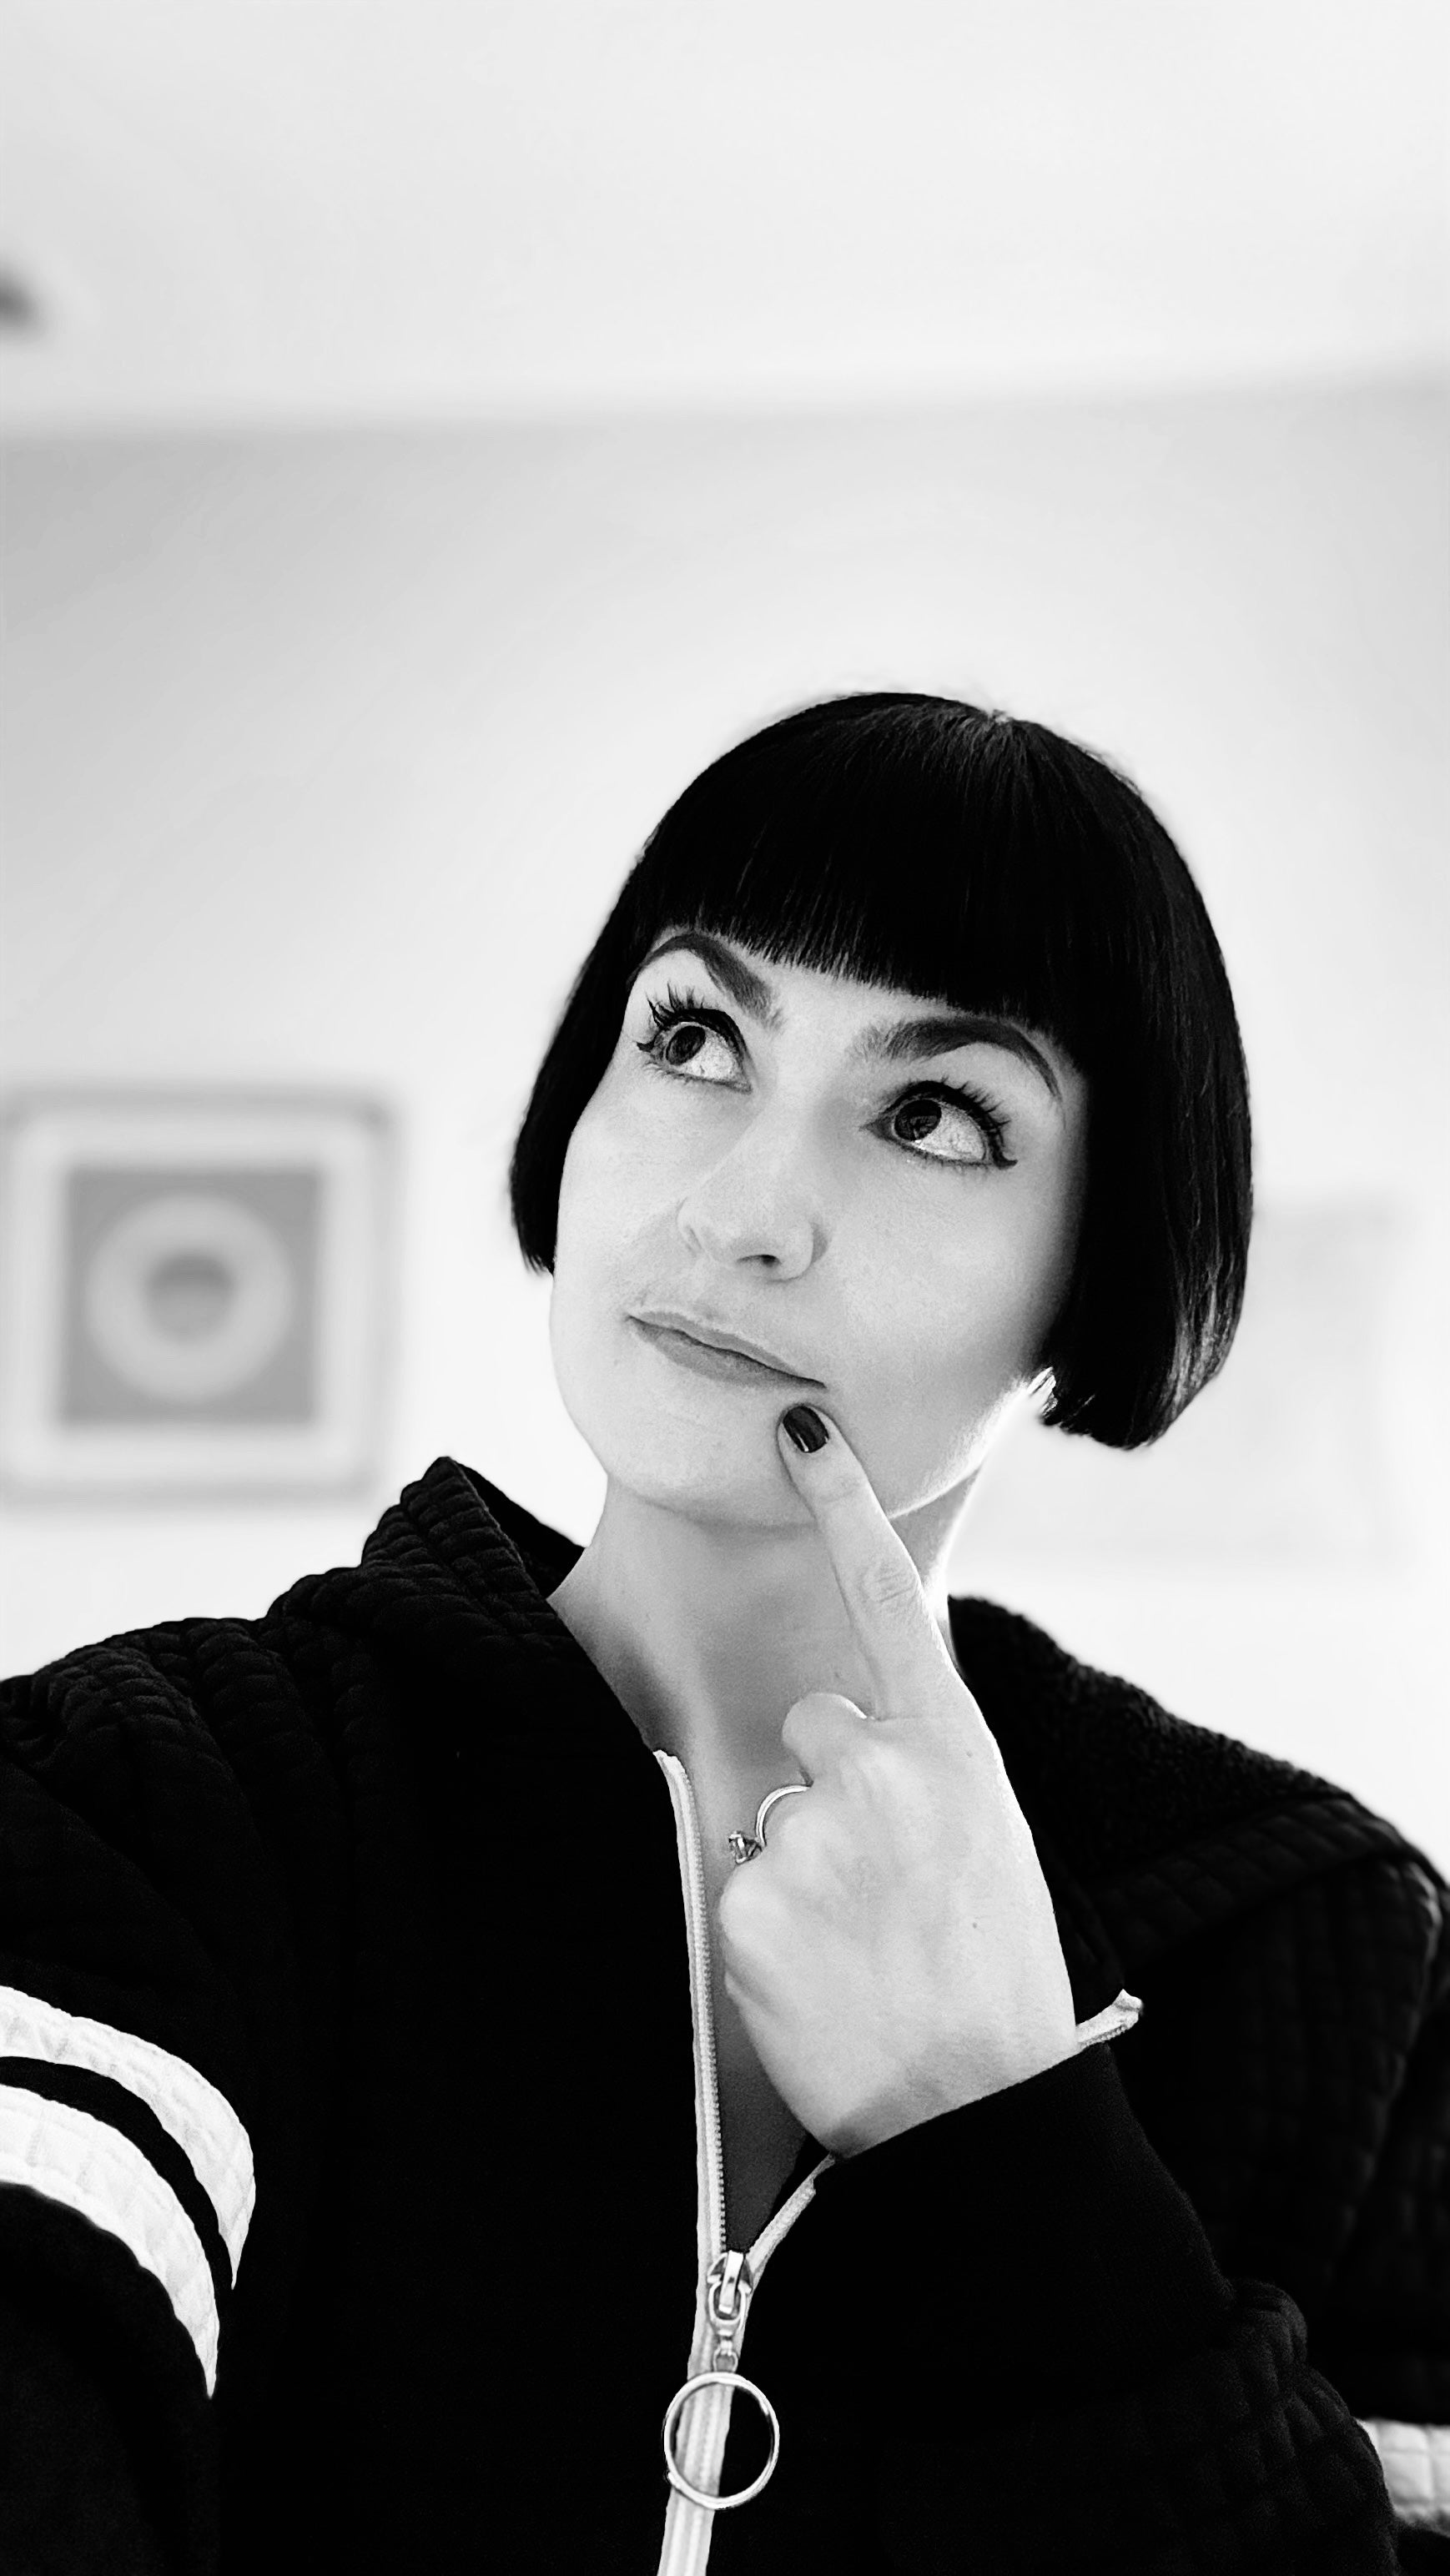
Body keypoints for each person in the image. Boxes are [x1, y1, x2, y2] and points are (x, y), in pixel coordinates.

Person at [0, 693, 1444, 2575]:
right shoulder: (145, 1798)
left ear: (1100, 1266)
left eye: (932, 1115)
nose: (745, 1210)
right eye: (693, 1036)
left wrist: (1013, 2149)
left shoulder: (1327, 1958)